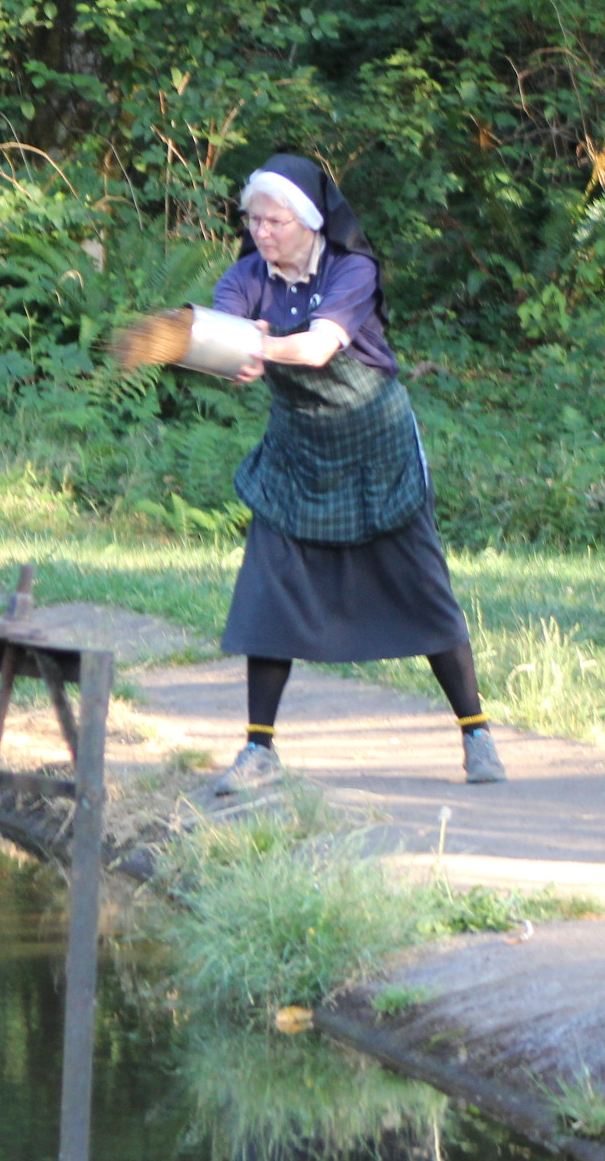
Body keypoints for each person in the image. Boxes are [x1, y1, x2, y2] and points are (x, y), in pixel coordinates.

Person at [206, 154, 505, 794]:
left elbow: (318, 347)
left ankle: (476, 733)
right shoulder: (244, 277)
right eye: (254, 220)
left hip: (377, 448)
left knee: (423, 586)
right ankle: (259, 751)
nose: (262, 232)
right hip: (296, 452)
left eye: (276, 222)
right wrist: (229, 349)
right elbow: (229, 331)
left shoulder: (353, 270)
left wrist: (259, 345)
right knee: (269, 592)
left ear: (311, 222)